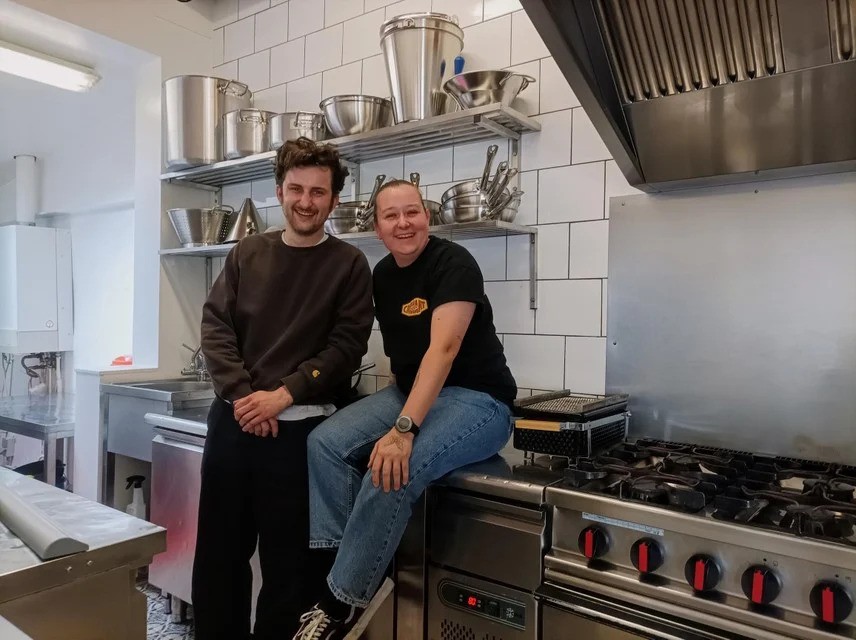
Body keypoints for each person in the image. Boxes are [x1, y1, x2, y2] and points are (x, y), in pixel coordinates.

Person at [293, 179, 517, 639]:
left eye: (411, 212)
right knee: (326, 443)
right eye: (391, 215)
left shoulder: (454, 262)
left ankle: (339, 605)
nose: (403, 223)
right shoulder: (383, 276)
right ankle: (353, 574)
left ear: (426, 217)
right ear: (377, 227)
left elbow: (445, 349)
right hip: (409, 391)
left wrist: (402, 430)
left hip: (479, 399)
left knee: (393, 467)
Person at [192, 137, 375, 640]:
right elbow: (216, 328)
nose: (306, 201)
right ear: (279, 191)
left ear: (334, 200)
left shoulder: (349, 265)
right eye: (296, 189)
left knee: (288, 568)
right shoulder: (249, 252)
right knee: (219, 558)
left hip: (300, 440)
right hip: (233, 427)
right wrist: (242, 396)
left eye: (318, 192)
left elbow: (346, 347)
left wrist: (284, 395)